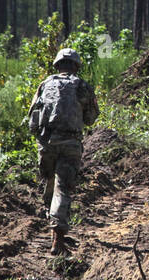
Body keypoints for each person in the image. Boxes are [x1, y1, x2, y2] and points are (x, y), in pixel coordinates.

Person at [27, 48, 100, 254]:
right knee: (63, 189)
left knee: (51, 182)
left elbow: (32, 118)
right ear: (76, 66)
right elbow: (90, 118)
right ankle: (58, 241)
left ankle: (51, 222)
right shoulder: (82, 86)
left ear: (57, 65)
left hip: (46, 143)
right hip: (70, 144)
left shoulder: (44, 85)